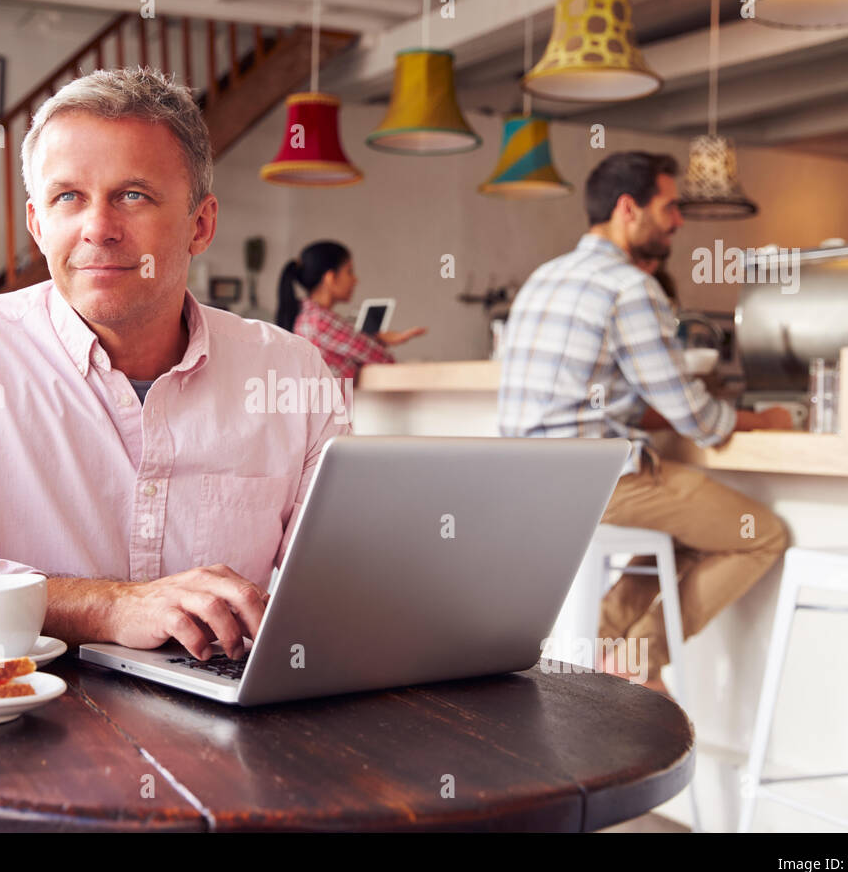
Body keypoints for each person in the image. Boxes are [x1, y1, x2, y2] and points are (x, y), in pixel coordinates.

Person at [0, 67, 348, 663]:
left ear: (201, 225)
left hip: (228, 727)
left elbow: (341, 582)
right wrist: (110, 606)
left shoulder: (292, 374)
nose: (98, 229)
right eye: (68, 198)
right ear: (38, 225)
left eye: (133, 195)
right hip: (17, 728)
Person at [499, 150, 793, 699]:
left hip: (528, 481)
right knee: (763, 536)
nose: (679, 220)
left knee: (691, 533)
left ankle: (603, 650)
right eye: (670, 206)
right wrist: (766, 419)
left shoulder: (545, 276)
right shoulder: (631, 288)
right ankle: (640, 659)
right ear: (628, 209)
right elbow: (699, 420)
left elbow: (628, 397)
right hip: (596, 482)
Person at [275, 240, 427, 381]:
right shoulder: (322, 320)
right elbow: (383, 359)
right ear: (330, 278)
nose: (355, 280)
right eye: (349, 271)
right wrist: (378, 342)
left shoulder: (303, 314)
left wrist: (378, 339)